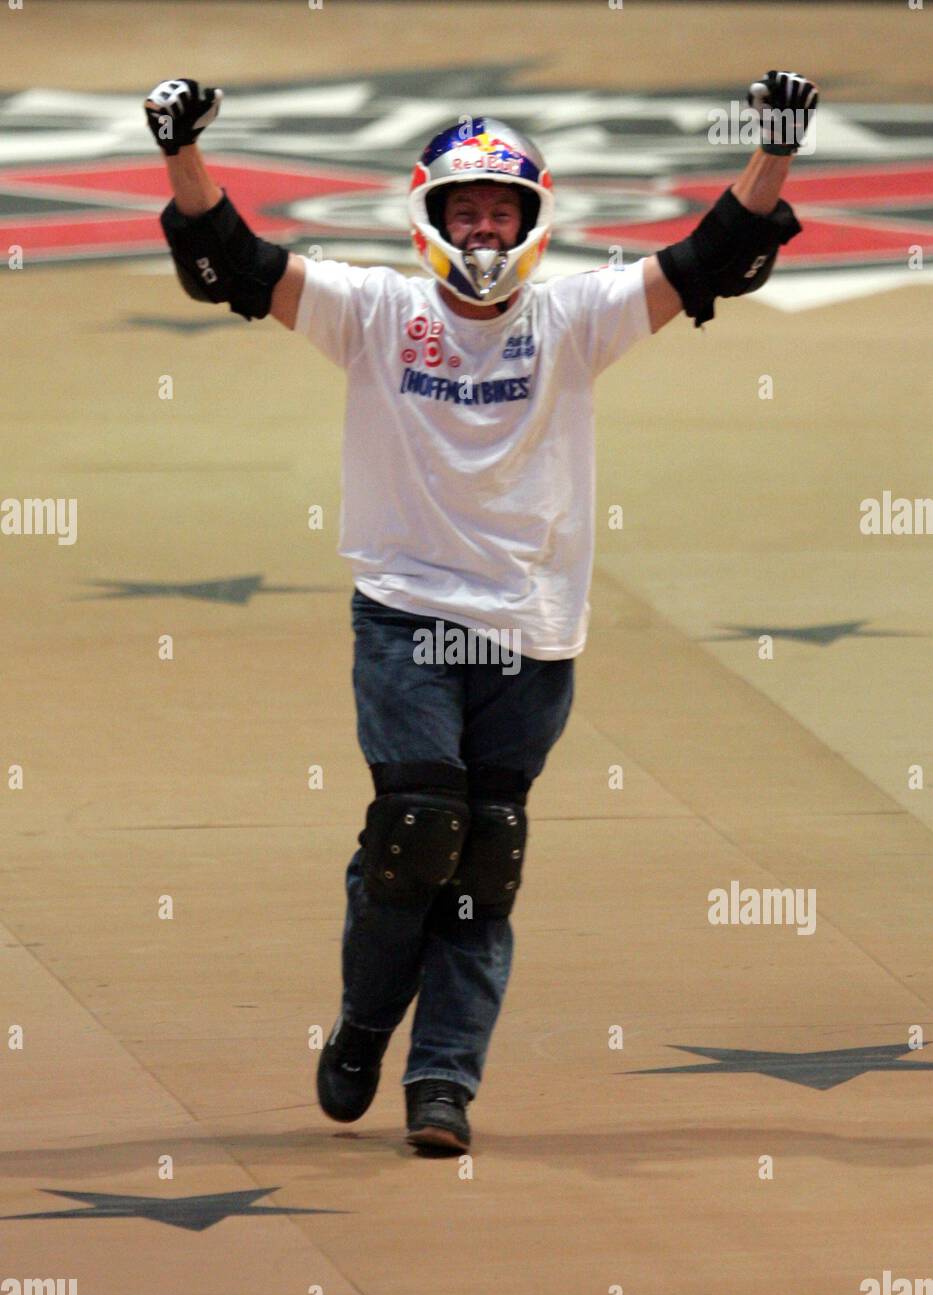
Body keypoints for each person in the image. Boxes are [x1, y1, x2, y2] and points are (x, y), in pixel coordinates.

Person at [143, 71, 818, 1154]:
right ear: (433, 220)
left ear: (534, 222)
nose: (485, 229)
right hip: (406, 614)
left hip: (533, 627)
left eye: (502, 212)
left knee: (484, 857)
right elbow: (232, 260)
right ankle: (366, 1024)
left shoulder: (576, 316)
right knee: (418, 832)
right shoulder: (375, 312)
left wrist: (774, 147)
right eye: (467, 211)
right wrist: (180, 152)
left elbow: (713, 258)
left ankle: (444, 1083)